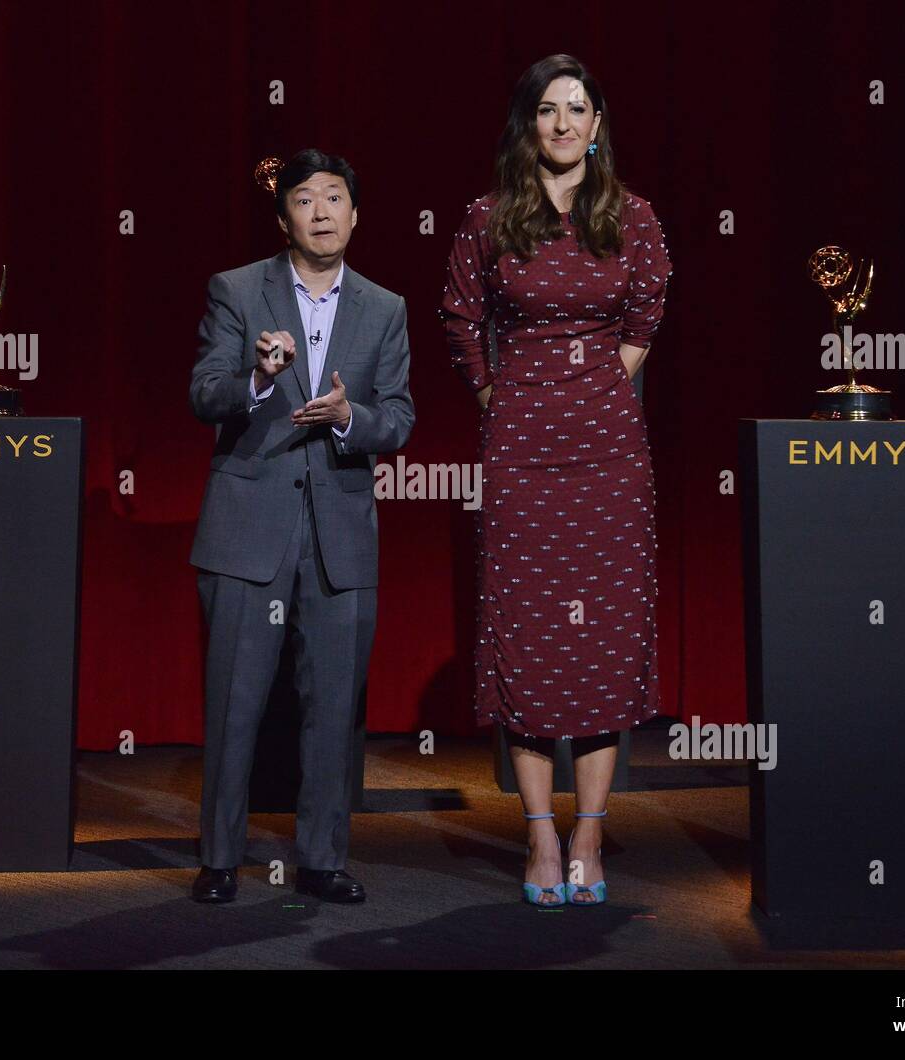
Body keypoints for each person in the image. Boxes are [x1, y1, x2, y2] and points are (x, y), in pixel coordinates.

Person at [438, 55, 673, 906]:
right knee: (531, 633)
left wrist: (602, 381)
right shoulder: (489, 216)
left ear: (598, 123)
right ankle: (540, 839)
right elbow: (460, 313)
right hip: (521, 449)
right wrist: (503, 392)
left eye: (578, 109)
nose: (564, 123)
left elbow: (648, 305)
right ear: (528, 125)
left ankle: (591, 832)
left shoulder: (634, 215)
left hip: (610, 450)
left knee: (603, 638)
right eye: (548, 110)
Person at [188, 148, 414, 904]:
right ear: (284, 216)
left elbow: (401, 417)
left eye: (336, 198)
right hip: (249, 524)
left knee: (334, 708)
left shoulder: (385, 307)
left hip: (339, 532)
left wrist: (351, 416)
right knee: (235, 699)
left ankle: (322, 859)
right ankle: (219, 858)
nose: (322, 212)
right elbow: (204, 392)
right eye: (306, 200)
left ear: (356, 212)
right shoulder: (236, 290)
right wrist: (256, 378)